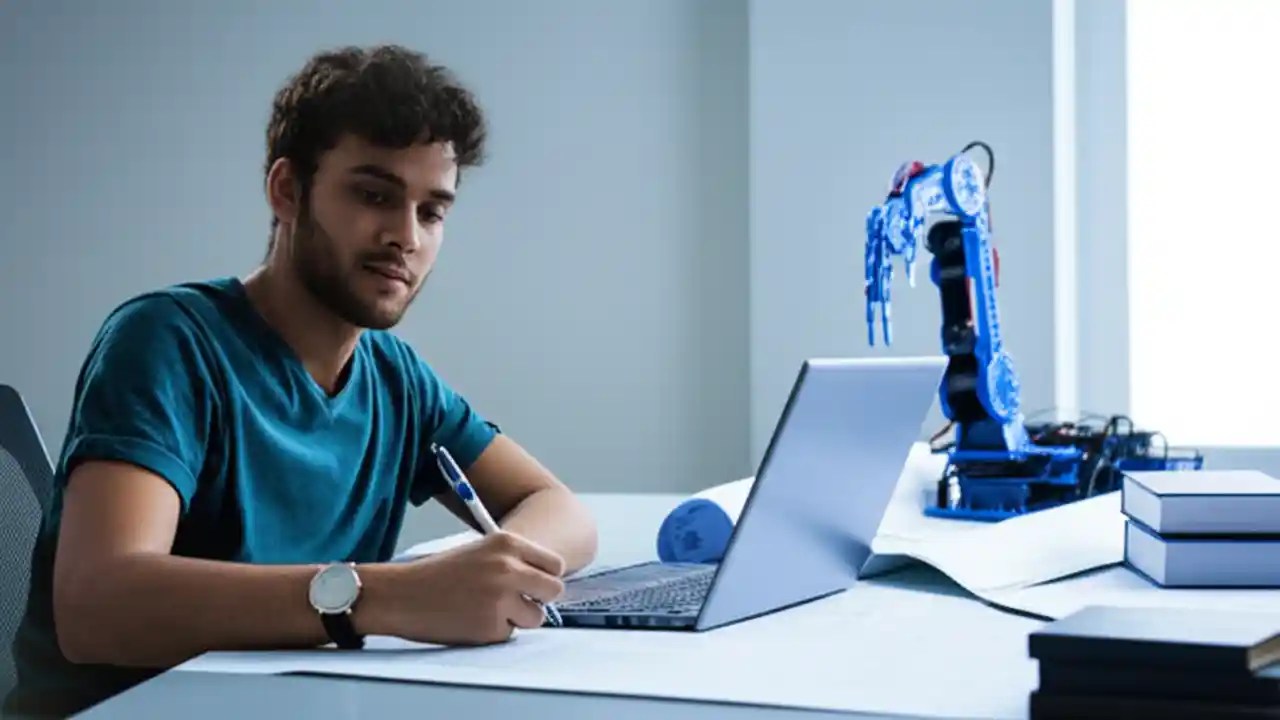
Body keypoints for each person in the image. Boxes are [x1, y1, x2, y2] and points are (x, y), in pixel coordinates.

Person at [4, 43, 598, 718]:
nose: (406, 236)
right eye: (374, 195)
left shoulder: (394, 377)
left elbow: (562, 511)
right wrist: (391, 595)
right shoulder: (167, 342)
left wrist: (493, 577)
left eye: (432, 211)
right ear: (287, 190)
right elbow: (97, 606)